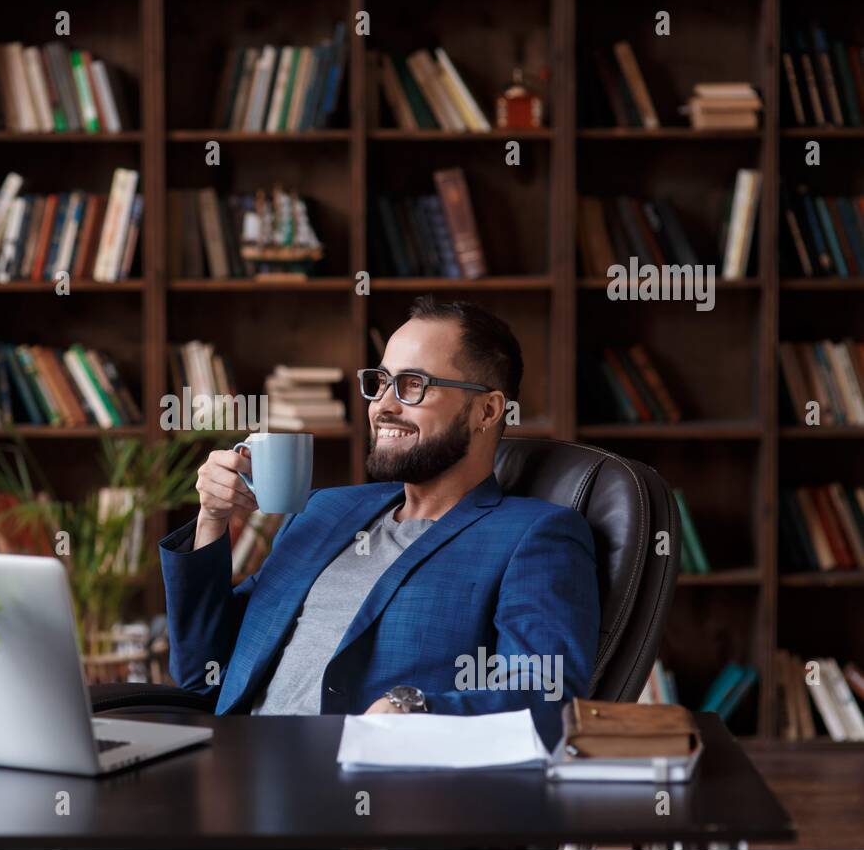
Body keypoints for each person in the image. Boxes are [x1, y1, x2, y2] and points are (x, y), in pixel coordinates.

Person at [159, 296, 601, 747]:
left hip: (359, 790)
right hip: (231, 765)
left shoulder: (535, 536)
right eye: (381, 382)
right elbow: (203, 673)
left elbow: (545, 705)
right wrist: (211, 520)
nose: (382, 406)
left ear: (487, 410)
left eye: (413, 385)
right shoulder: (322, 511)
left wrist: (414, 711)